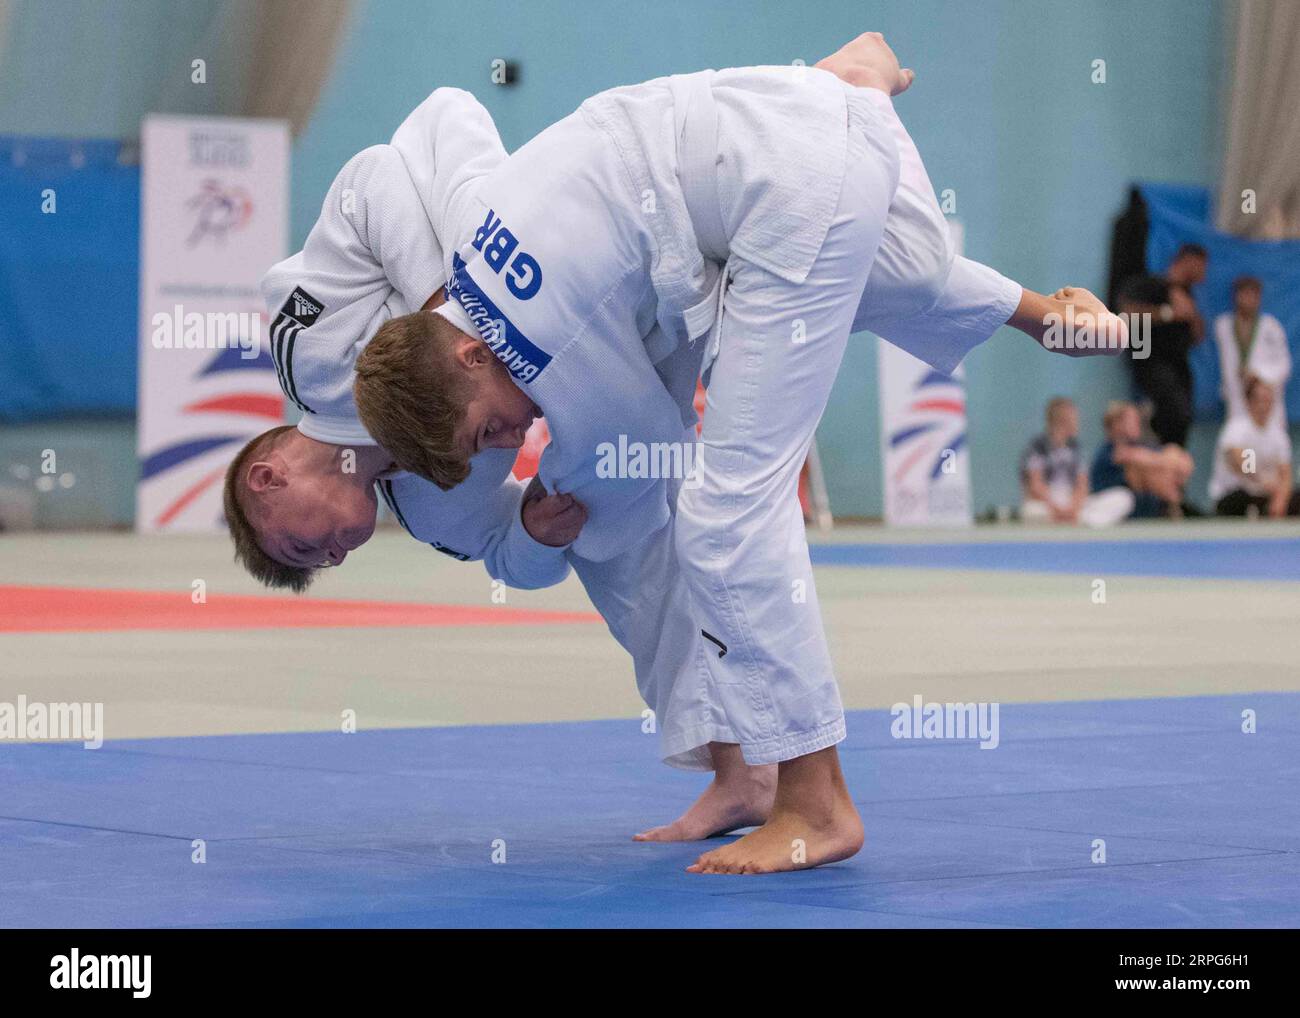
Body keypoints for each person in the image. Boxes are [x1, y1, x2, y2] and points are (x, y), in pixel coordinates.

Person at [228, 36, 1063, 846]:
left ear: (267, 476)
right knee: (624, 526)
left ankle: (813, 803)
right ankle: (744, 769)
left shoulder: (310, 348)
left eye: (302, 544)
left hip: (521, 264)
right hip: (620, 316)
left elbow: (383, 170)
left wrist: (456, 290)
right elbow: (502, 556)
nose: (333, 551)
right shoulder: (425, 504)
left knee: (725, 495)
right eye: (324, 564)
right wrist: (527, 531)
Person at [1119, 243, 1208, 446]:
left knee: (1181, 418)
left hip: (1179, 369)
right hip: (1149, 363)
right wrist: (1169, 313)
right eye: (1201, 265)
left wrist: (1192, 314)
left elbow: (1198, 337)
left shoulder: (1188, 295)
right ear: (1187, 261)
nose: (1204, 271)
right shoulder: (1148, 285)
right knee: (1168, 410)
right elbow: (1127, 313)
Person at [1020, 397, 1133, 526]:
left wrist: (1074, 507)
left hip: (1073, 501)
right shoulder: (1037, 447)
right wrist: (1056, 508)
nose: (1077, 422)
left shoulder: (1077, 448)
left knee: (1124, 497)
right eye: (1074, 418)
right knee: (1032, 511)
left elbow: (1082, 485)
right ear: (1063, 420)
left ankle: (1083, 519)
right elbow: (1036, 485)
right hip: (1049, 502)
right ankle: (1083, 521)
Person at [1210, 378, 1300, 518]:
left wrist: (1280, 499)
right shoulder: (1237, 428)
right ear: (1249, 402)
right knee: (1242, 499)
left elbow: (1285, 473)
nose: (1264, 406)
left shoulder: (1279, 435)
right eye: (1260, 400)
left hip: (1265, 497)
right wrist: (1263, 481)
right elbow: (1241, 461)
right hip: (1236, 496)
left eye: (1268, 400)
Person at [1089, 400, 1192, 519]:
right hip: (1104, 504)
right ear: (1117, 424)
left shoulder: (1140, 446)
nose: (1138, 423)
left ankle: (1174, 508)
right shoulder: (1110, 451)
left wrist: (1171, 458)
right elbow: (1133, 456)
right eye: (1132, 420)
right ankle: (1175, 509)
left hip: (1138, 506)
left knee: (1163, 465)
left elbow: (1183, 462)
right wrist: (1165, 461)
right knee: (1143, 474)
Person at [1213, 276, 1290, 430]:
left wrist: (1259, 376)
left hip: (1265, 396)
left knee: (1269, 443)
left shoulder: (1271, 326)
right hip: (1237, 394)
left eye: (1253, 295)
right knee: (1240, 443)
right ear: (1235, 297)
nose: (1248, 300)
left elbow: (1284, 364)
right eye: (1244, 294)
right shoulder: (1223, 325)